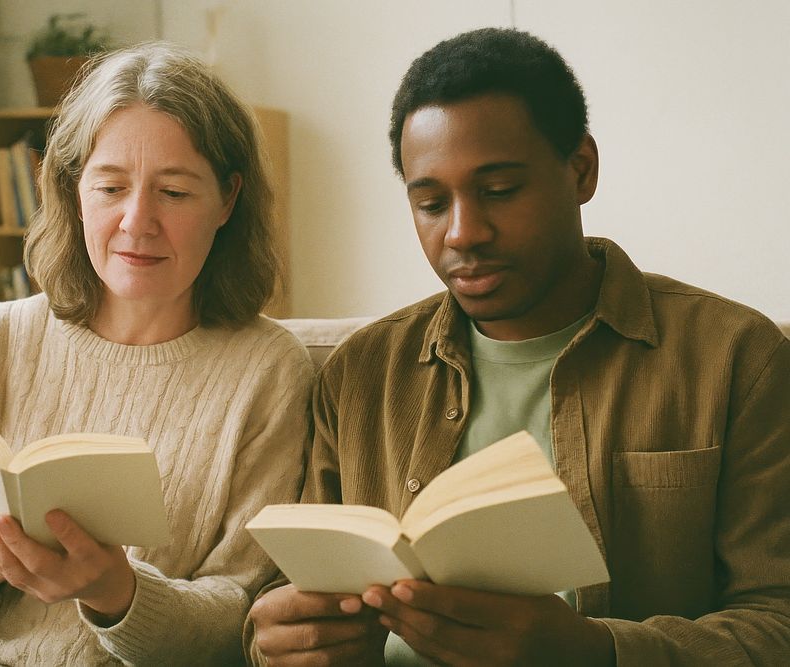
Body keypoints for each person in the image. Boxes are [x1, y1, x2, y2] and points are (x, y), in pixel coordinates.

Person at [246, 27, 790, 666]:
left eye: (499, 191)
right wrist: (279, 643)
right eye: (429, 203)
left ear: (581, 169)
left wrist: (595, 652)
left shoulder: (734, 358)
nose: (463, 233)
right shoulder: (364, 375)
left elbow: (777, 619)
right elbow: (290, 595)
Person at [0, 42, 314, 666]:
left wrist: (116, 594)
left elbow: (242, 620)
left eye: (174, 192)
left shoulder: (269, 371)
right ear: (71, 190)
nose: (137, 221)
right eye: (111, 187)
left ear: (227, 200)